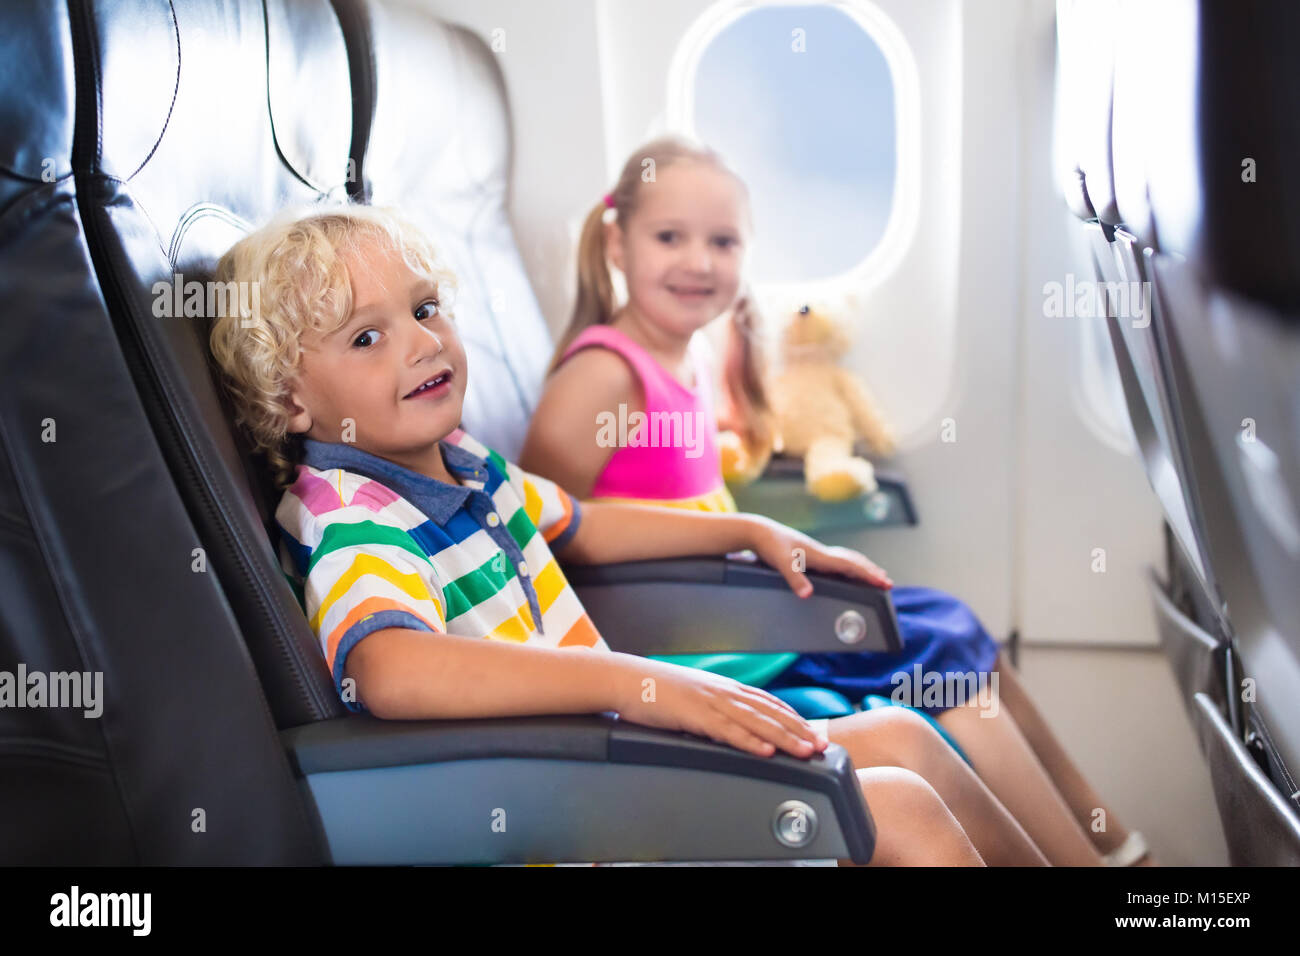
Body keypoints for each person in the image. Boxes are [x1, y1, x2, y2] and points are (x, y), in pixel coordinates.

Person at [205, 203, 1070, 866]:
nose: (423, 343)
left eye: (427, 308)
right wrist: (651, 686)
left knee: (910, 738)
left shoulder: (461, 464)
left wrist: (749, 528)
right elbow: (390, 670)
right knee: (902, 809)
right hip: (571, 817)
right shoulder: (356, 518)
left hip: (614, 768)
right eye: (367, 336)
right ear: (294, 401)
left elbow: (581, 524)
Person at [519, 135, 1152, 867]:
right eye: (670, 237)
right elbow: (545, 534)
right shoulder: (601, 372)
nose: (699, 261)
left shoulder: (685, 357)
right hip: (694, 639)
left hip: (731, 608)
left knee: (949, 621)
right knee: (939, 653)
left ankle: (1109, 844)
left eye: (722, 242)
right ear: (617, 244)